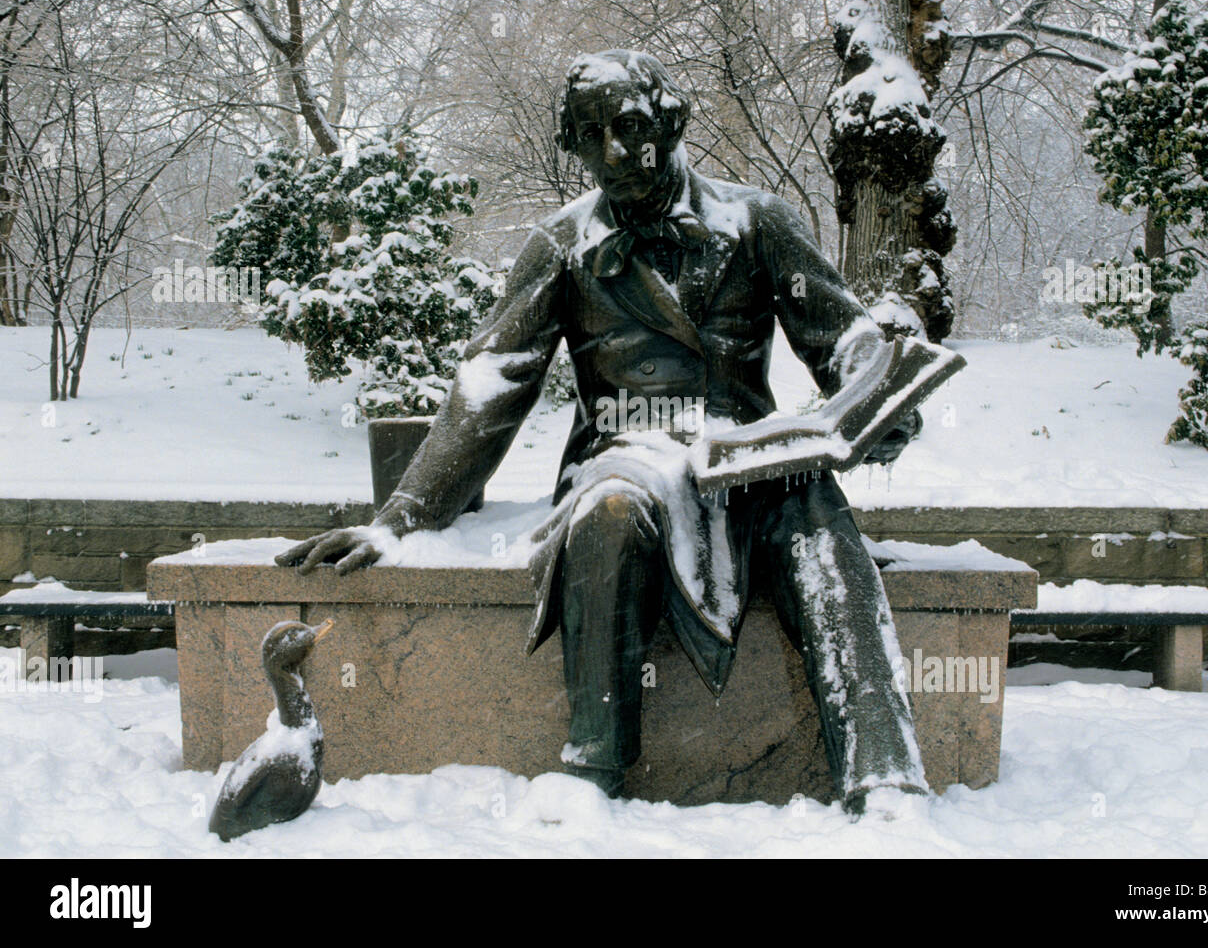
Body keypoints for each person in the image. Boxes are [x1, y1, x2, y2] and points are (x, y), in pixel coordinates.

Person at [278, 49, 928, 816]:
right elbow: (493, 382)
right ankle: (594, 766)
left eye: (630, 126)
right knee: (610, 510)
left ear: (672, 122)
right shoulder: (561, 245)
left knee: (815, 504)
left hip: (747, 457)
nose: (615, 151)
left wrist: (881, 393)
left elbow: (843, 335)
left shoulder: (759, 221)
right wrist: (402, 516)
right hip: (625, 459)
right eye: (592, 134)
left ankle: (882, 772)